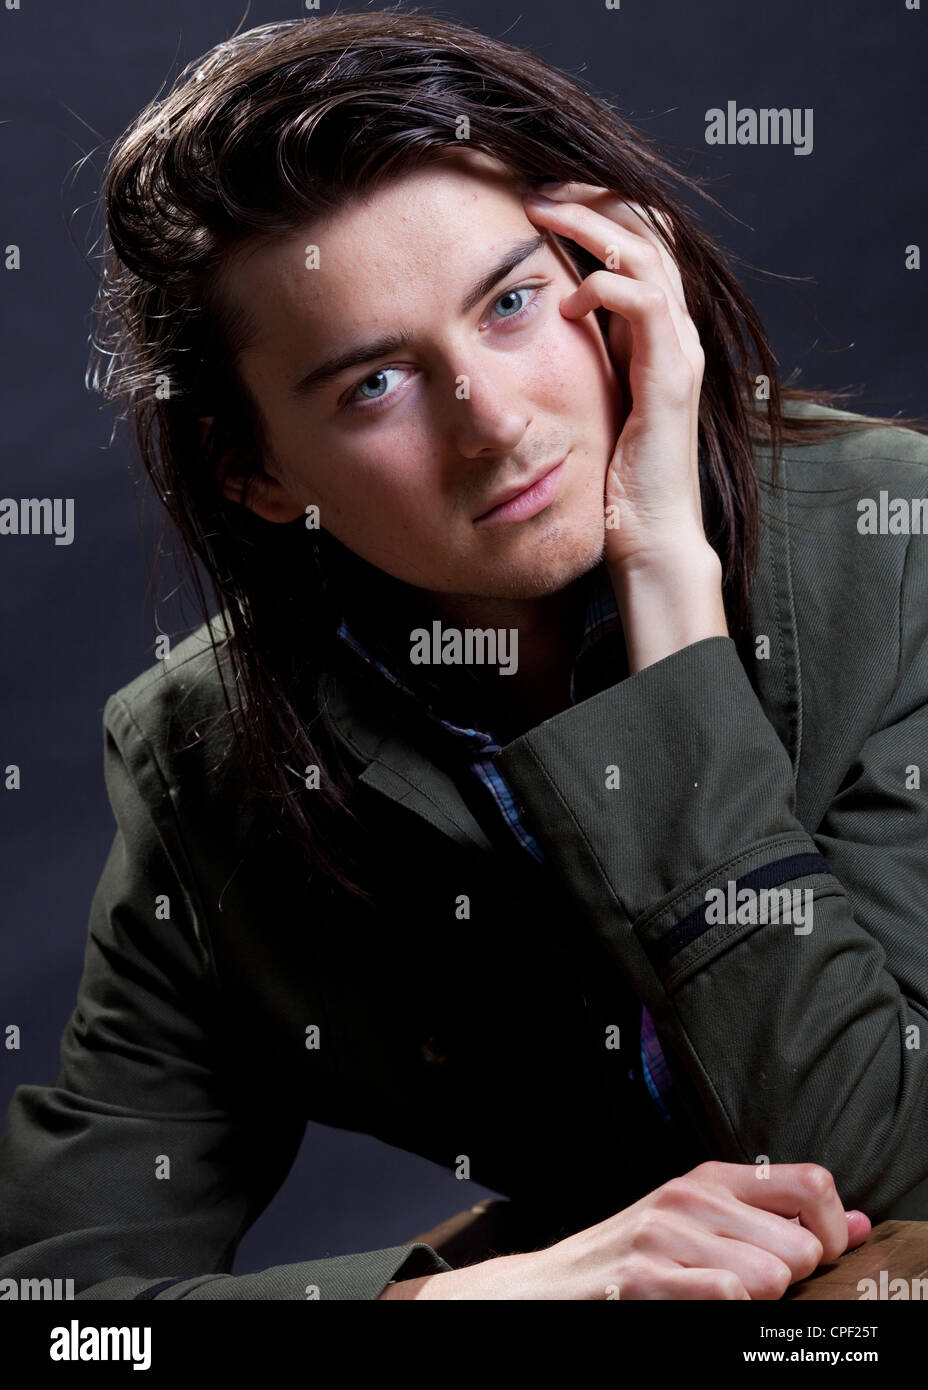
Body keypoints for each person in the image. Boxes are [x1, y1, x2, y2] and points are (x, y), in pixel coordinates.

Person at [1, 11, 927, 1302]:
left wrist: (668, 588)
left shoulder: (894, 551)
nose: (492, 422)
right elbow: (65, 1311)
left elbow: (879, 1168)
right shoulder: (212, 766)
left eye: (512, 302)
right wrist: (465, 1298)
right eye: (374, 384)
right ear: (255, 472)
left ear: (619, 273)